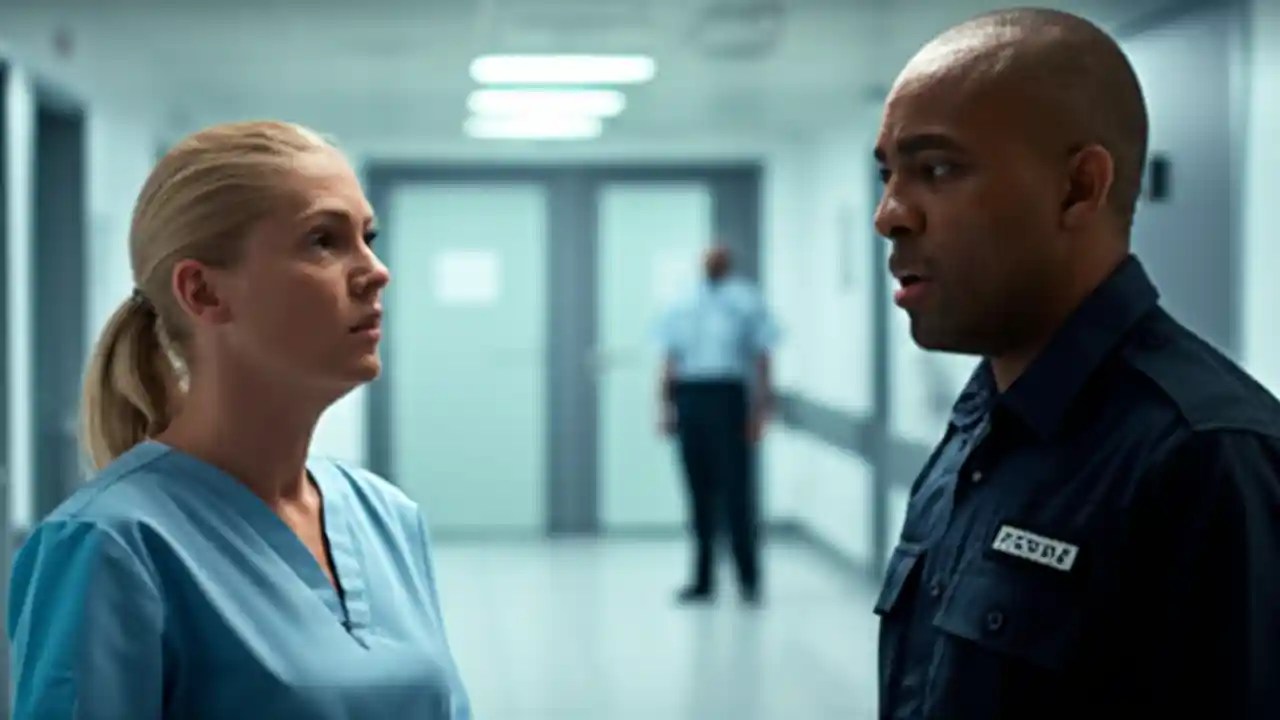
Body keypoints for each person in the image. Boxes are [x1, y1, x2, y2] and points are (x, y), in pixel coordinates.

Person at [872, 8, 1279, 719]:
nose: (889, 215)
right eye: (889, 175)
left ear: (1079, 188)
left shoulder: (1207, 458)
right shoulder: (982, 424)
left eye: (936, 169)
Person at [6, 121, 472, 719]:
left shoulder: (386, 517)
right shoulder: (110, 544)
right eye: (323, 241)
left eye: (368, 237)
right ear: (202, 292)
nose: (376, 270)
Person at [657, 245, 779, 605]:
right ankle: (702, 580)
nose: (712, 263)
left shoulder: (745, 301)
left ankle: (748, 578)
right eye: (708, 258)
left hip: (729, 399)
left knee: (737, 493)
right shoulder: (683, 301)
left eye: (719, 258)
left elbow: (762, 358)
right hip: (690, 397)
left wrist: (760, 411)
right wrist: (666, 408)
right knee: (698, 493)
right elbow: (669, 359)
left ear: (728, 263)